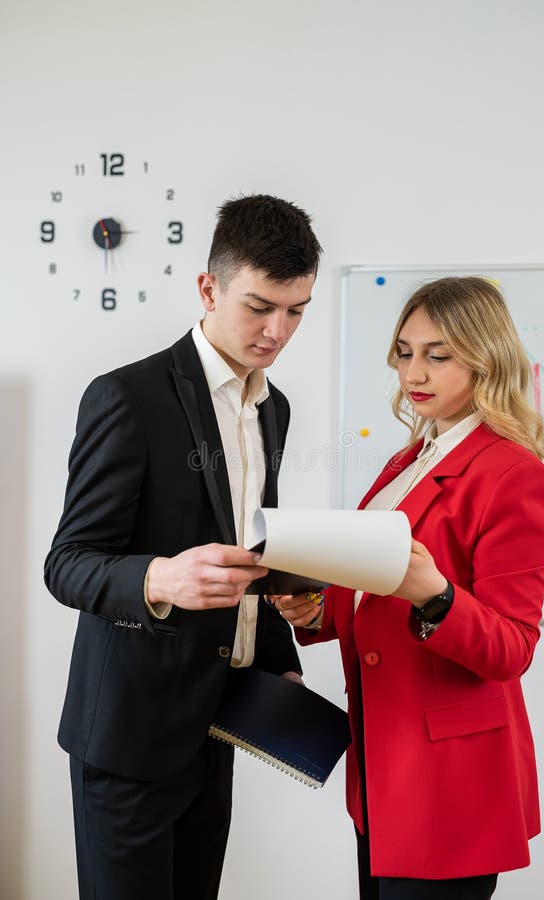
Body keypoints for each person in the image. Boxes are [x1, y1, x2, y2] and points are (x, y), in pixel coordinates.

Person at [44, 194, 322, 900]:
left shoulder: (274, 406)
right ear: (208, 287)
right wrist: (160, 578)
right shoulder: (126, 398)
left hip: (220, 725)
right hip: (129, 739)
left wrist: (278, 650)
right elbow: (68, 562)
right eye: (260, 306)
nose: (277, 330)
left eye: (296, 310)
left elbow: (252, 542)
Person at [275, 276, 544, 900]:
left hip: (450, 778)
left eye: (438, 354)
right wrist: (314, 611)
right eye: (404, 352)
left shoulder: (516, 475)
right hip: (384, 763)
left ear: (486, 360)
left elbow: (512, 647)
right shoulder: (412, 458)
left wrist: (435, 594)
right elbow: (374, 588)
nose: (415, 371)